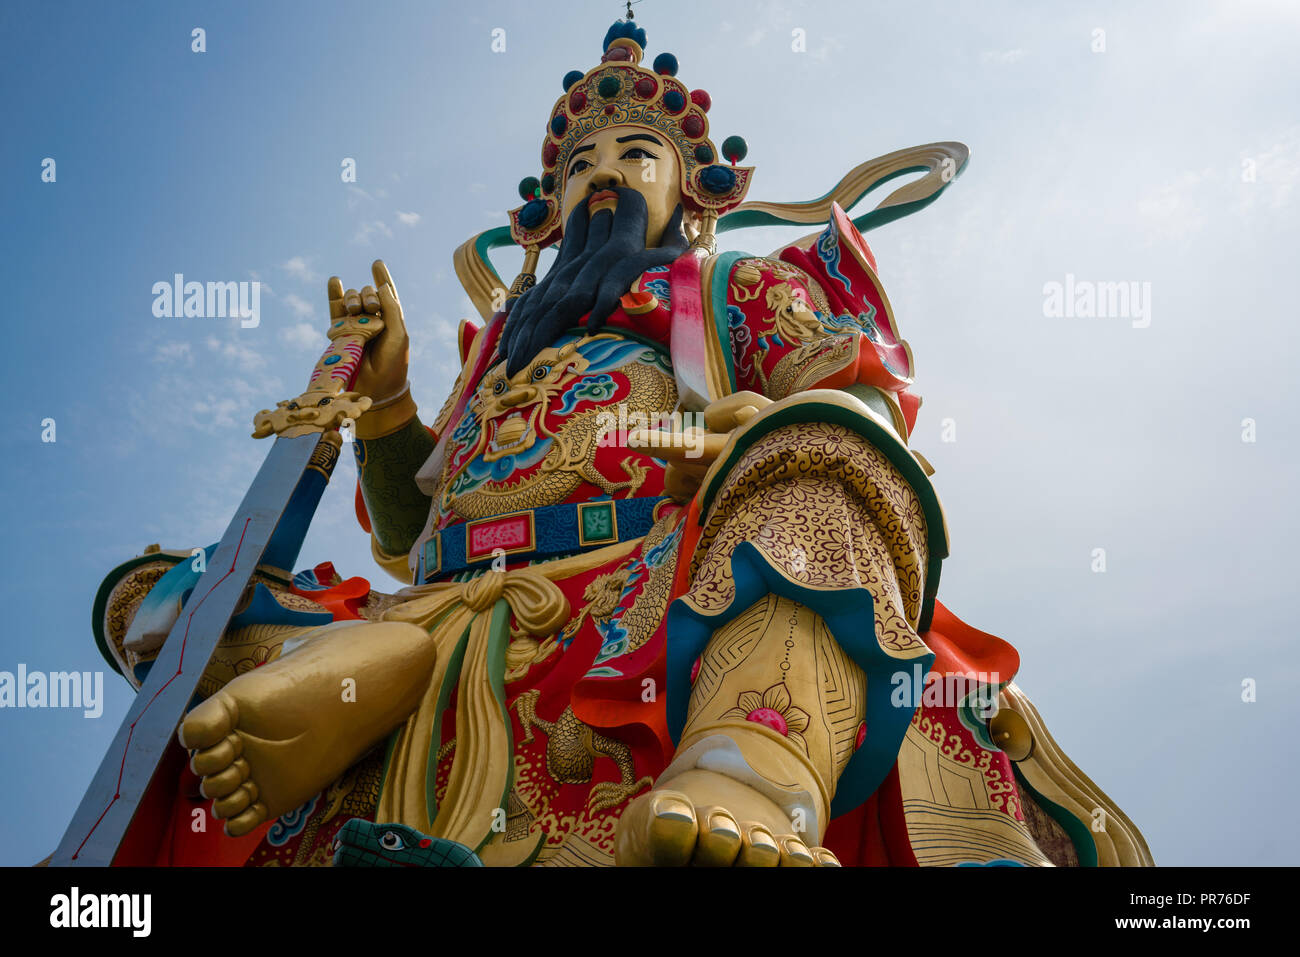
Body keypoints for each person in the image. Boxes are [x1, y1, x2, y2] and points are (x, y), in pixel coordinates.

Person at [94, 19, 1152, 867]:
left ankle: (749, 761)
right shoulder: (497, 347)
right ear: (549, 212)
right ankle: (369, 665)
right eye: (579, 165)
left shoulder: (734, 287)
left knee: (822, 452)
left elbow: (858, 406)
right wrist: (384, 408)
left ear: (690, 191)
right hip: (443, 594)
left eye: (634, 154)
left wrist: (743, 435)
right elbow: (413, 531)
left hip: (651, 581)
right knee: (164, 604)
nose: (601, 175)